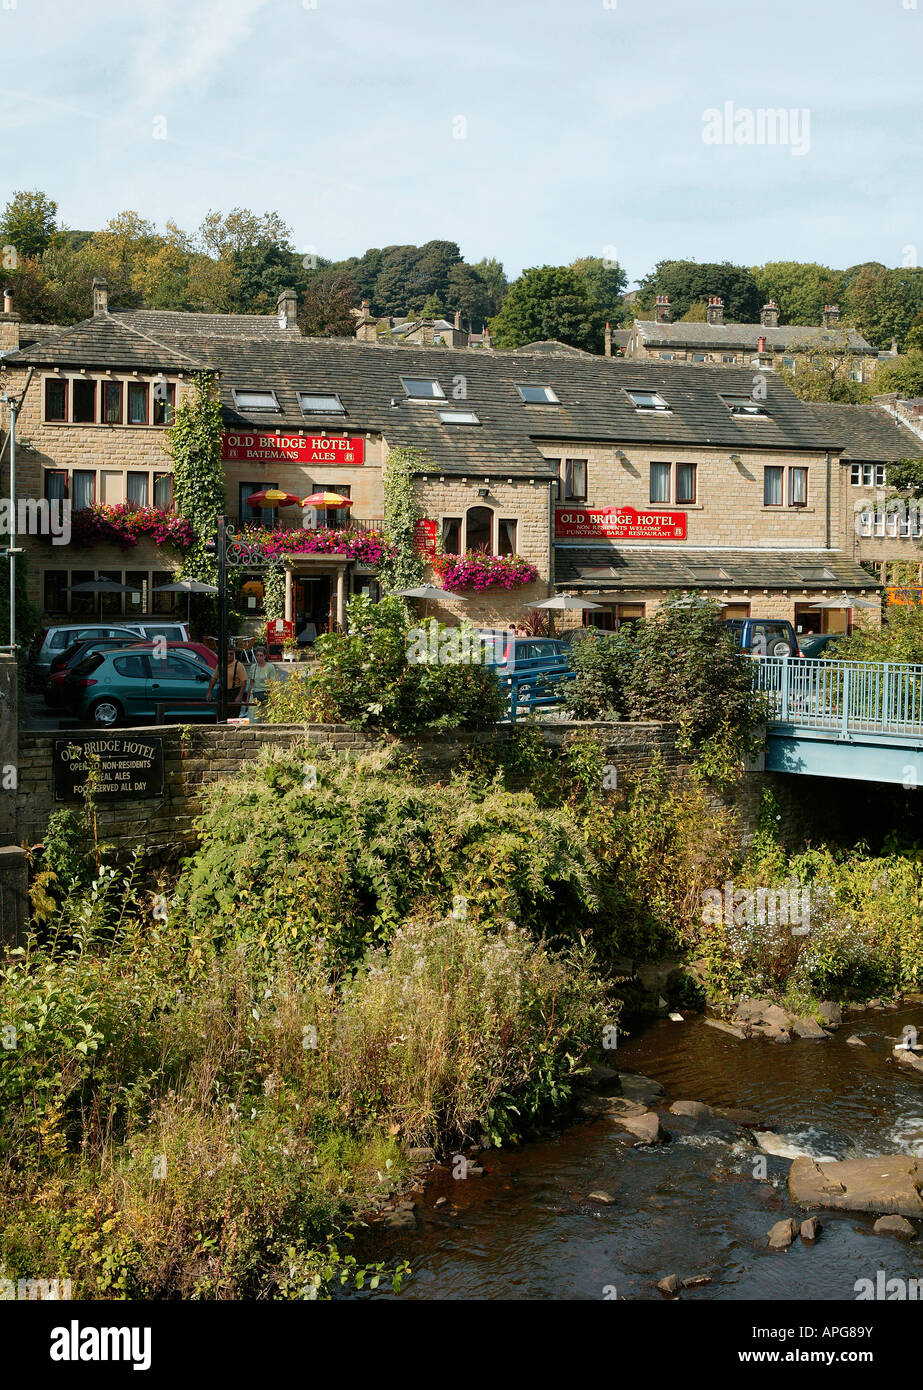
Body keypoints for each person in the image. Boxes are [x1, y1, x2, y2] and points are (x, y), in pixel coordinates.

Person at [207, 645, 247, 719]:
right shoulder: (220, 665)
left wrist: (239, 696)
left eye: (231, 654)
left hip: (234, 693)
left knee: (233, 717)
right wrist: (209, 692)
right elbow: (214, 679)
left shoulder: (238, 665)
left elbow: (244, 681)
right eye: (227, 653)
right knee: (221, 715)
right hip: (222, 692)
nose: (229, 655)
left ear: (234, 654)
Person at [244, 645, 281, 719]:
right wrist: (247, 699)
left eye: (261, 655)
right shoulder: (253, 667)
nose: (259, 657)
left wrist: (274, 699)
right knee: (253, 717)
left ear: (265, 656)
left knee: (267, 717)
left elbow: (273, 684)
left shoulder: (270, 667)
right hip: (255, 695)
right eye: (257, 655)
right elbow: (251, 684)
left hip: (267, 694)